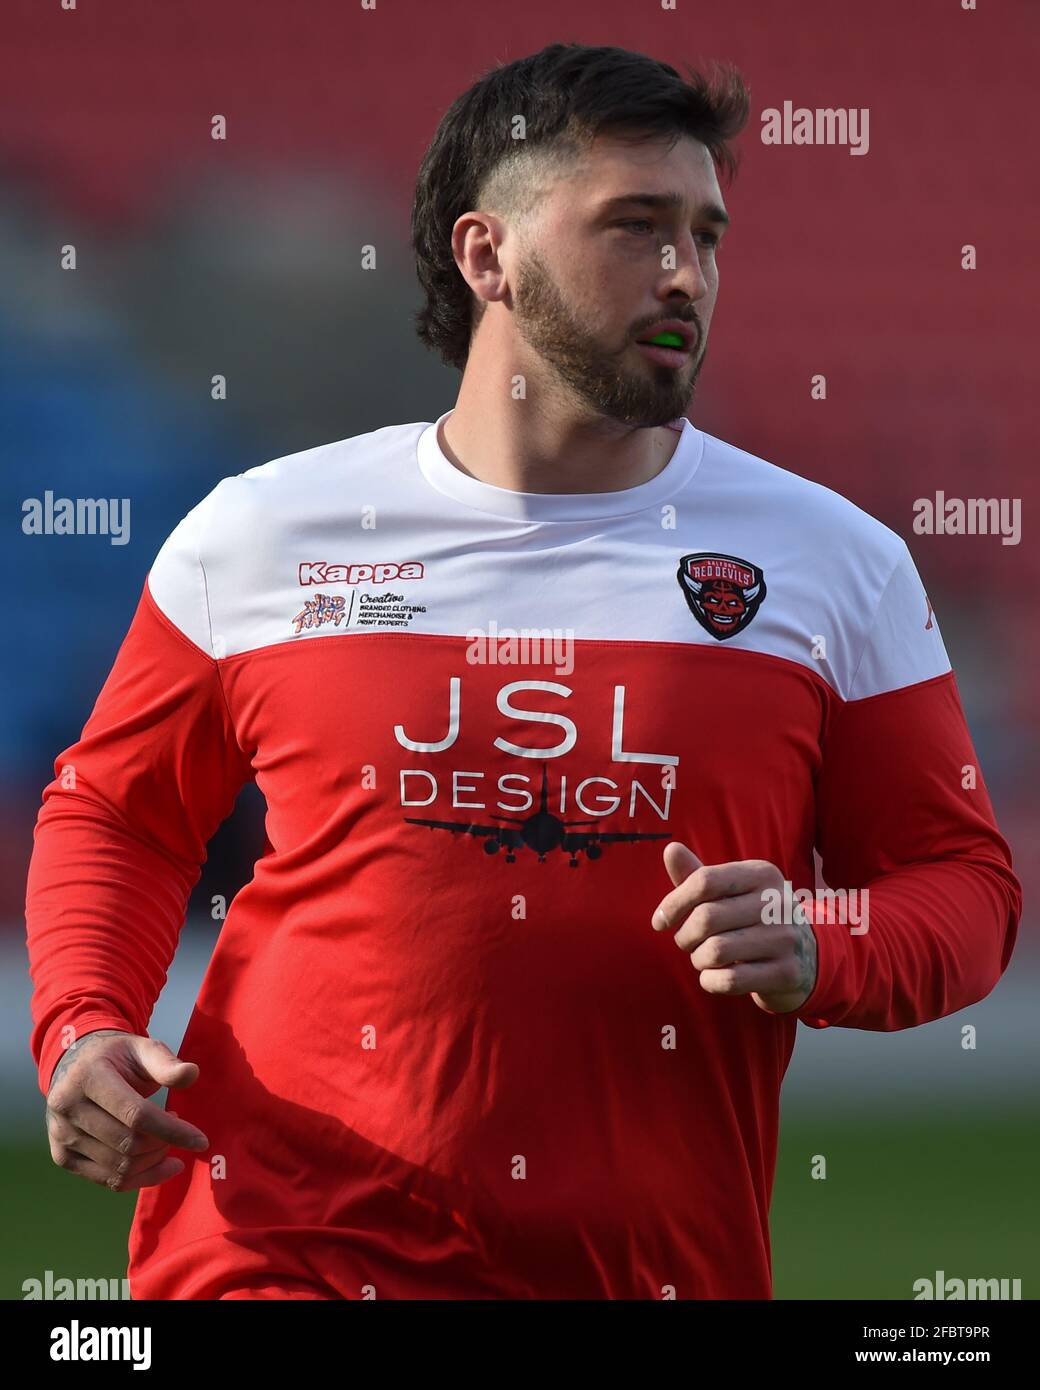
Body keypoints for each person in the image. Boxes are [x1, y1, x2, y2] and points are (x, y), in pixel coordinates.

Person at [25, 42, 1021, 1300]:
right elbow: (116, 812)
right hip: (276, 1254)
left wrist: (824, 935)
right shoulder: (263, 531)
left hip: (641, 1268)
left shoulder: (834, 563)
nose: (684, 275)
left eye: (706, 236)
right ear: (484, 254)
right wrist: (87, 1025)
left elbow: (963, 887)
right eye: (633, 228)